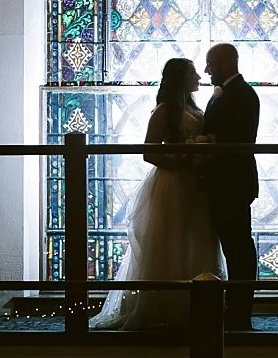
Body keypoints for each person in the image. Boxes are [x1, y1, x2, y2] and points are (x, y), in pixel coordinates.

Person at [90, 58, 222, 330]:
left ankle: (196, 305)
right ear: (180, 78)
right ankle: (167, 306)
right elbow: (149, 151)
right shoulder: (164, 111)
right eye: (193, 73)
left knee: (196, 239)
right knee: (171, 241)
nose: (199, 77)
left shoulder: (195, 109)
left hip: (196, 184)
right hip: (173, 183)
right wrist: (183, 163)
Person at [201, 42, 260, 331]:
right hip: (222, 181)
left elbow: (239, 138)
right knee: (233, 246)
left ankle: (240, 311)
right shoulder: (228, 92)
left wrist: (208, 144)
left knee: (239, 249)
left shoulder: (243, 94)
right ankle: (234, 308)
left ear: (226, 63)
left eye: (210, 64)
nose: (206, 70)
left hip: (232, 182)